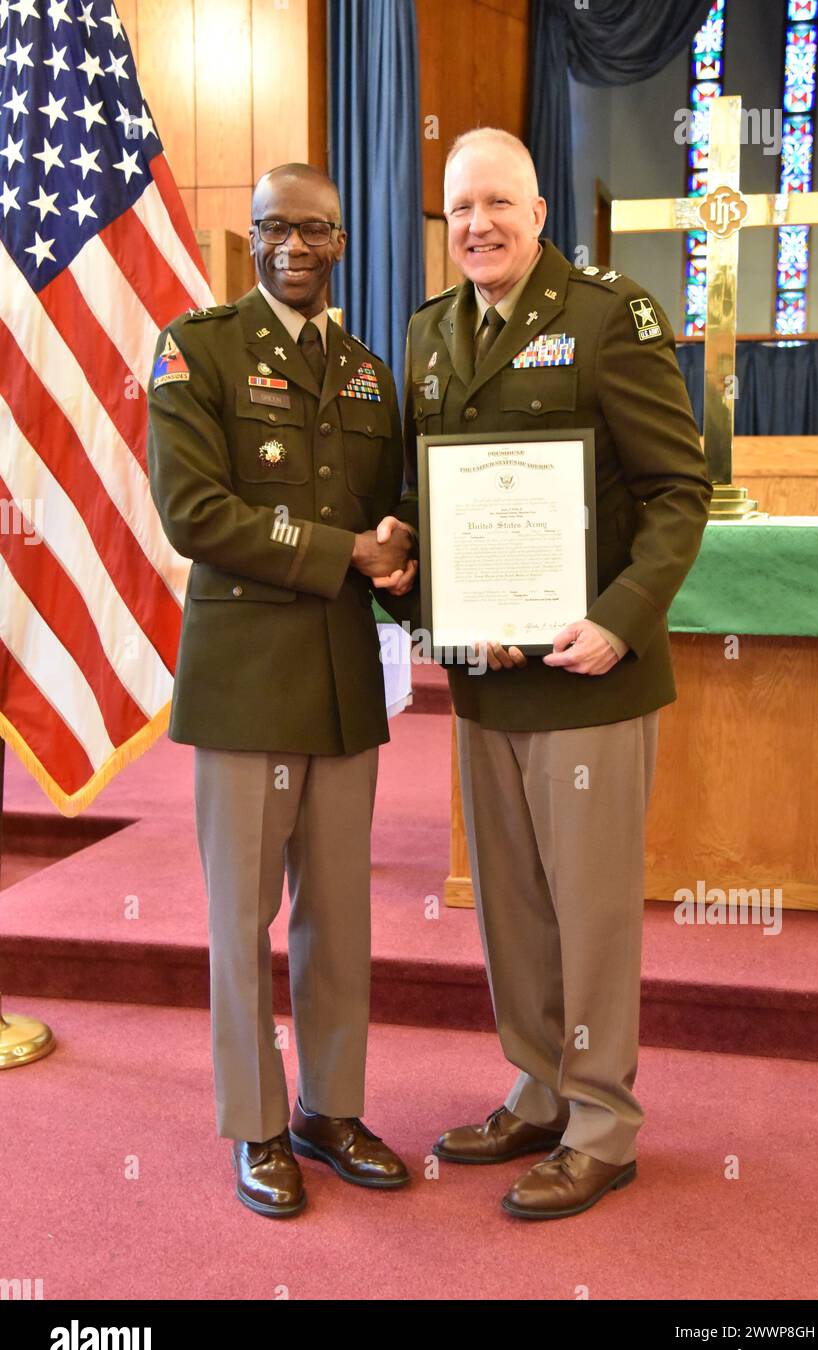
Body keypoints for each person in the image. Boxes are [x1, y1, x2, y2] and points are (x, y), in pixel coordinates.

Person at [403, 128, 712, 1221]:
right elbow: (427, 507)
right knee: (513, 909)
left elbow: (680, 490)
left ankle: (601, 1121)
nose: (478, 225)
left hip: (589, 676)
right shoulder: (429, 333)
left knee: (588, 913)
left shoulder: (604, 315)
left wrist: (621, 620)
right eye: (459, 209)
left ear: (537, 212)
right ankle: (536, 1088)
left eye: (498, 203)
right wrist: (434, 612)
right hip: (486, 681)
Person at [147, 163, 417, 1219]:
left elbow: (393, 511)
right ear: (248, 236)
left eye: (312, 230)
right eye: (272, 228)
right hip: (248, 680)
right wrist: (347, 546)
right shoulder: (197, 346)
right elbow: (195, 514)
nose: (291, 247)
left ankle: (329, 1109)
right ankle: (256, 1123)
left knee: (338, 919)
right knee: (242, 916)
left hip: (344, 683)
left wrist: (403, 551)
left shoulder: (364, 372)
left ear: (341, 242)